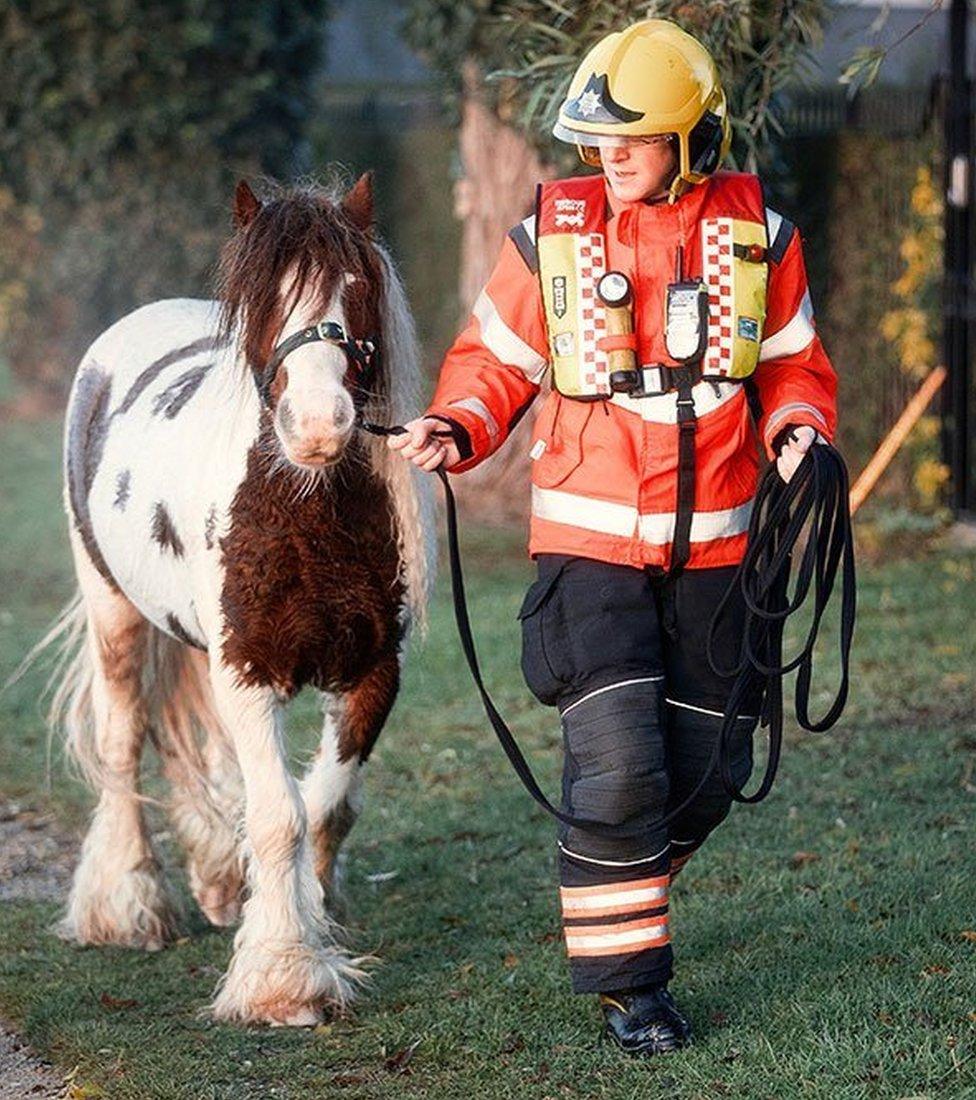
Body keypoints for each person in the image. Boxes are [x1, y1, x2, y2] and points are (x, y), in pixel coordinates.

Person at [388, 18, 836, 1057]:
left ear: (694, 139)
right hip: (588, 555)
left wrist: (796, 429)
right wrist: (457, 421)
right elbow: (492, 358)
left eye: (633, 140)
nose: (609, 156)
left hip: (723, 555)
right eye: (597, 139)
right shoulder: (552, 232)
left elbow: (794, 365)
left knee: (710, 769)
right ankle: (634, 994)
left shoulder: (759, 230)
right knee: (622, 767)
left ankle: (602, 874)